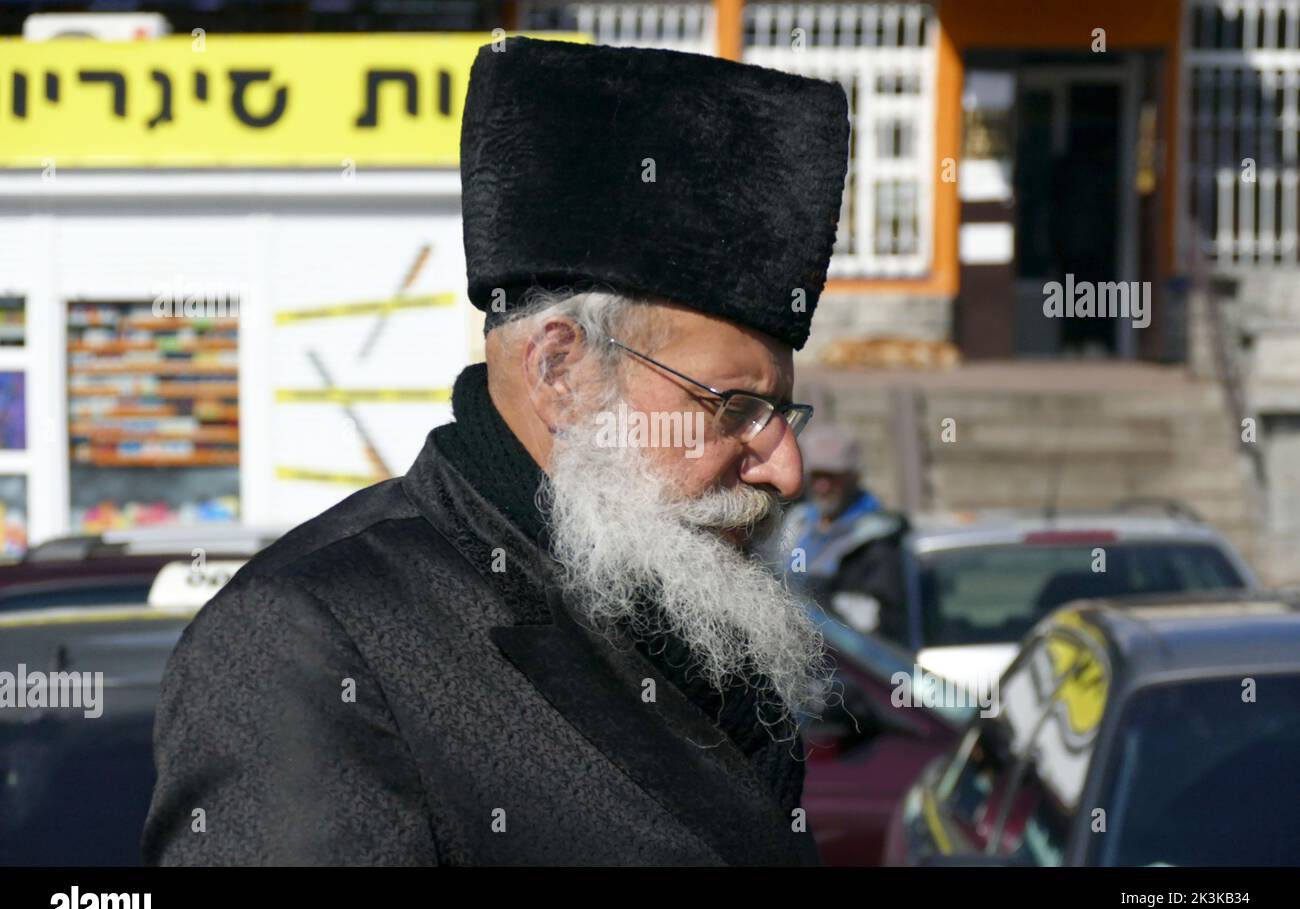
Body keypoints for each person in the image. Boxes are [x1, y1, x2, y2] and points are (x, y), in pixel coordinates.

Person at [142, 37, 850, 865]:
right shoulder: (305, 643)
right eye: (732, 407)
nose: (784, 468)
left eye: (779, 413)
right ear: (560, 370)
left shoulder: (675, 618)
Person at [772, 425, 907, 641]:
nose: (823, 486)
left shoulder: (879, 540)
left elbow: (873, 619)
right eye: (817, 476)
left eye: (833, 476)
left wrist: (816, 599)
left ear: (854, 477)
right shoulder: (800, 522)